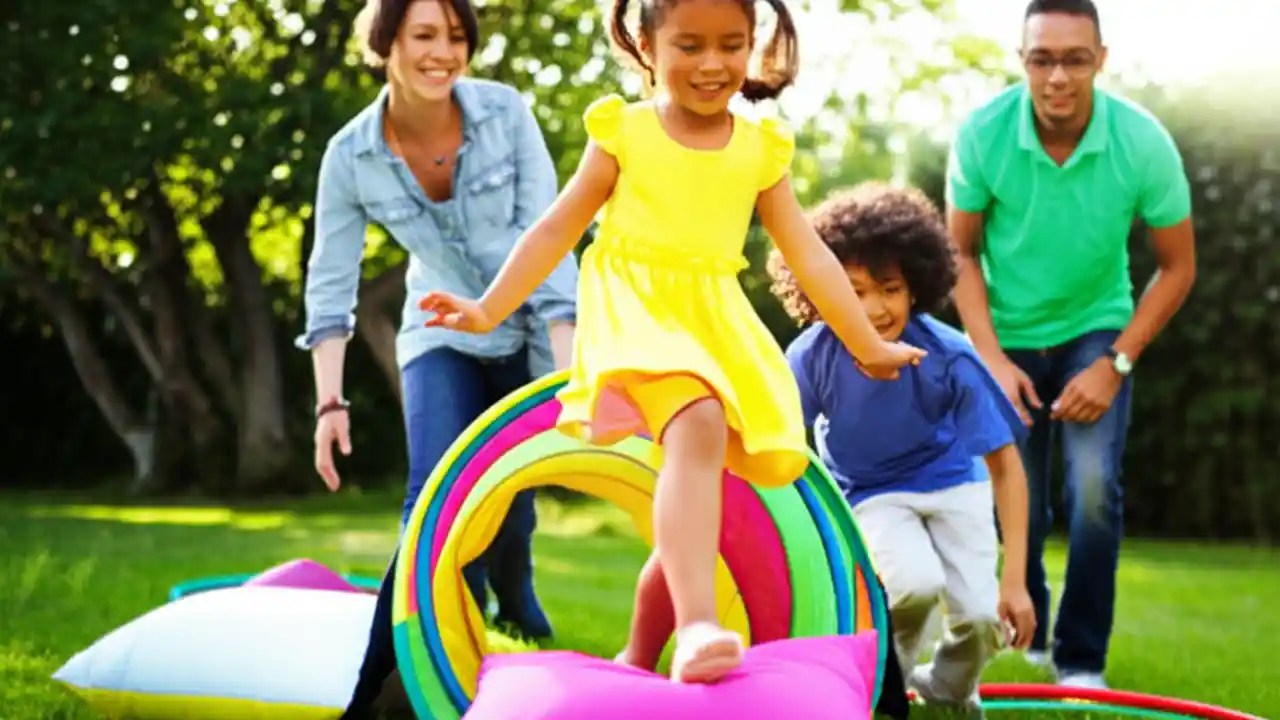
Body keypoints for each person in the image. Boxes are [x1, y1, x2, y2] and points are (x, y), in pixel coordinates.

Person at [419, 0, 926, 684]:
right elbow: (554, 229)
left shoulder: (758, 148)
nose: (713, 64)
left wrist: (865, 342)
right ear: (646, 44)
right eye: (690, 44)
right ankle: (696, 628)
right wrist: (488, 309)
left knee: (701, 495)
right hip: (636, 312)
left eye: (732, 44)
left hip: (711, 322)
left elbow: (808, 253)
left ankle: (638, 653)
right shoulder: (624, 132)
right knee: (699, 422)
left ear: (754, 44)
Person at [297, 0, 579, 714]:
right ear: (386, 42)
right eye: (425, 35)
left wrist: (570, 370)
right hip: (439, 332)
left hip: (529, 332)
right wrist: (330, 401)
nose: (444, 53)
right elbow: (331, 280)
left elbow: (548, 238)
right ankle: (384, 689)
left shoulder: (505, 114)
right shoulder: (351, 154)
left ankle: (514, 590)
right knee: (435, 496)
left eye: (457, 37)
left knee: (509, 501)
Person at [945, 0, 1197, 690]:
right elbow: (958, 253)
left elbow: (1178, 266)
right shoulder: (984, 135)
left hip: (1097, 329)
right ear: (1022, 59)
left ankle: (1081, 660)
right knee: (1013, 491)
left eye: (1074, 59)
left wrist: (1116, 364)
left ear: (1101, 60)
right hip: (1008, 335)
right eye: (1041, 59)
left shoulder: (1142, 143)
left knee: (1092, 489)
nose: (1057, 76)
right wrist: (990, 360)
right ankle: (1027, 634)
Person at [768, 182, 1037, 717]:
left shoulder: (950, 355)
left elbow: (1006, 468)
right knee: (912, 586)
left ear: (916, 288)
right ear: (822, 288)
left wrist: (1016, 580)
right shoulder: (810, 356)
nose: (873, 308)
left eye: (889, 289)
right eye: (855, 290)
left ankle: (947, 689)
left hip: (955, 483)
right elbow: (778, 445)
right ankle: (881, 687)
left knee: (983, 617)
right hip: (870, 492)